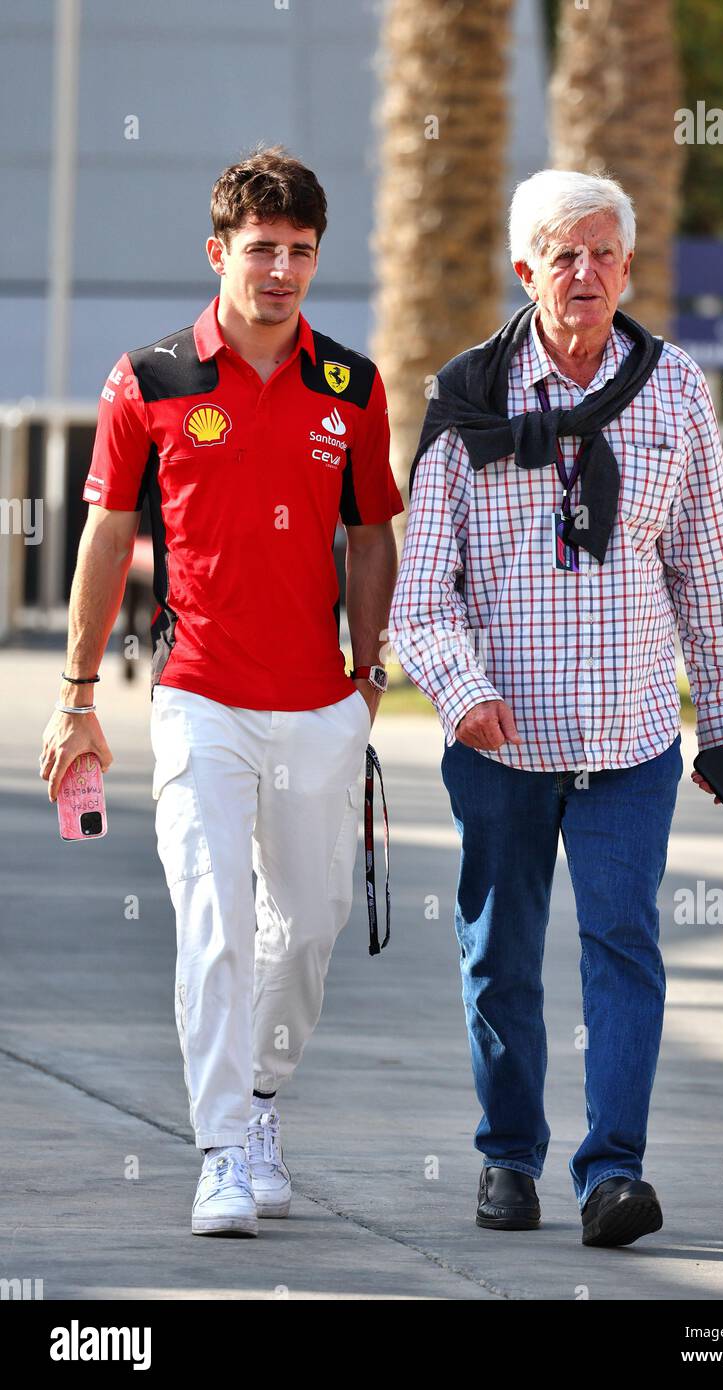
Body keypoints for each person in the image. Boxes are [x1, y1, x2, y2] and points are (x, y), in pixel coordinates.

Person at [389, 168, 723, 1247]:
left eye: (605, 254)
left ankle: (613, 1176)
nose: (586, 273)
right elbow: (423, 593)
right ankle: (508, 1158)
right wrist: (461, 696)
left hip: (631, 740)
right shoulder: (466, 395)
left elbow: (711, 569)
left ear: (628, 268)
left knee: (623, 947)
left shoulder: (676, 389)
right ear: (524, 270)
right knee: (498, 957)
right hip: (499, 746)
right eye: (564, 255)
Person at [39, 146, 403, 1238]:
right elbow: (107, 533)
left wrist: (368, 670)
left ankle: (257, 1105)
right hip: (197, 695)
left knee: (309, 927)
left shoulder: (352, 385)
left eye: (299, 252)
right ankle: (217, 1155)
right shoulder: (147, 378)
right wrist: (75, 690)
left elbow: (371, 530)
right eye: (260, 250)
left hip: (320, 704)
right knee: (215, 922)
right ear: (218, 252)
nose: (281, 270)